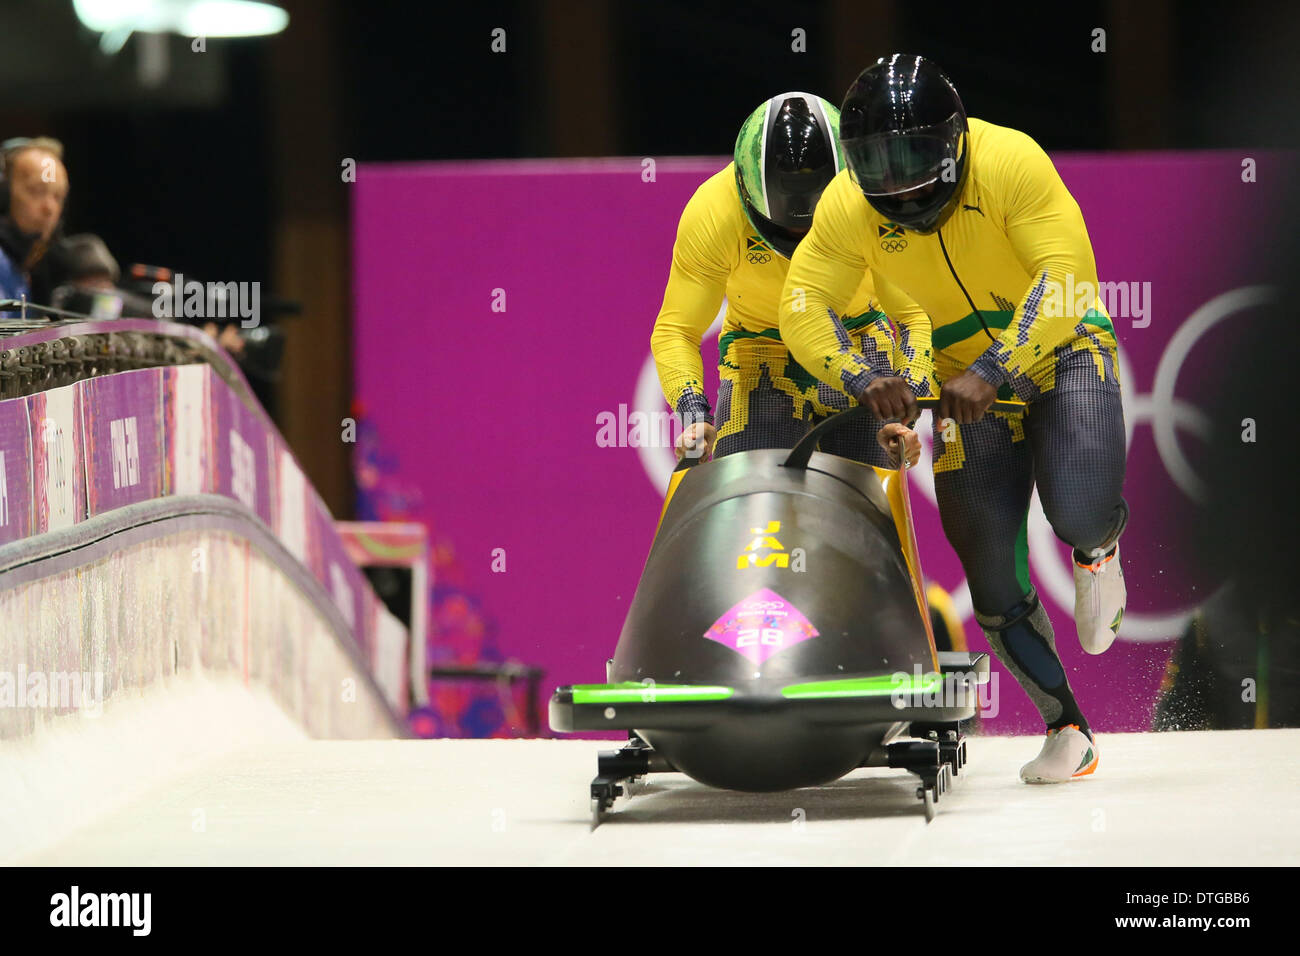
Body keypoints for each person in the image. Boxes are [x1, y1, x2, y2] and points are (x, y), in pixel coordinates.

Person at [779, 55, 1128, 783]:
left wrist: (997, 368)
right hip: (964, 383)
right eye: (876, 161)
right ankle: (1068, 728)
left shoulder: (1012, 162)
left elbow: (1067, 279)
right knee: (989, 571)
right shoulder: (849, 205)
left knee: (1080, 507)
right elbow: (803, 303)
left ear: (958, 140)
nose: (899, 180)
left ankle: (1097, 548)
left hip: (1061, 349)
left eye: (914, 156)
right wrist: (862, 375)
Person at [651, 92, 919, 470]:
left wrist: (907, 410)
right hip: (761, 352)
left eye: (813, 228)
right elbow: (677, 329)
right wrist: (694, 413)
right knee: (751, 514)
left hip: (855, 344)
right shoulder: (714, 210)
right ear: (747, 193)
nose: (799, 238)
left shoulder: (868, 201)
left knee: (867, 510)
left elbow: (912, 315)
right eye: (784, 229)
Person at [0, 136, 69, 315]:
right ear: (4, 194)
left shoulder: (29, 270)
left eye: (58, 196)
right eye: (37, 191)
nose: (49, 208)